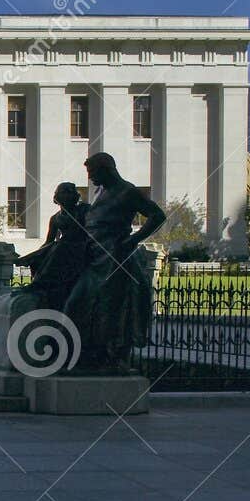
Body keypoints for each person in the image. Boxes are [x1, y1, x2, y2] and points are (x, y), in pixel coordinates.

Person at [63, 152, 166, 371]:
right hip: (95, 258)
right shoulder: (103, 193)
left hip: (115, 259)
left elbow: (157, 215)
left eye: (92, 172)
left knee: (110, 310)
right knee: (75, 303)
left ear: (106, 169)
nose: (90, 178)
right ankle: (84, 357)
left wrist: (133, 240)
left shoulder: (127, 191)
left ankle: (111, 359)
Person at [15, 182, 89, 310]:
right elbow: (48, 241)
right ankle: (37, 283)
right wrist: (35, 255)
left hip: (81, 246)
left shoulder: (84, 210)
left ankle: (38, 284)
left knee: (59, 247)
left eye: (68, 193)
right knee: (49, 251)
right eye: (63, 193)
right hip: (63, 248)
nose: (66, 196)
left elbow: (92, 231)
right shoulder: (55, 218)